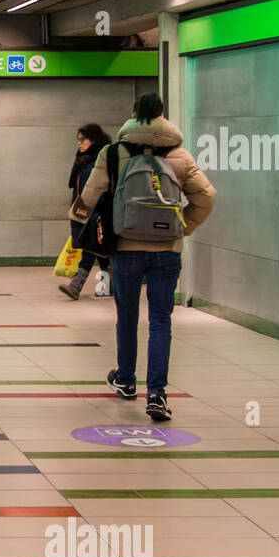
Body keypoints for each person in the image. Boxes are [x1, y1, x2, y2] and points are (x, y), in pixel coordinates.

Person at [73, 92, 216, 423]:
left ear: (134, 115)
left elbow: (89, 197)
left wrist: (78, 224)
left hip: (126, 248)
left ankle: (125, 380)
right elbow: (206, 195)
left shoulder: (114, 153)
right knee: (161, 321)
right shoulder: (179, 155)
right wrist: (184, 227)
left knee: (127, 316)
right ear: (163, 117)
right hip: (167, 249)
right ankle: (158, 394)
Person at [59, 123, 113, 300]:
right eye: (78, 139)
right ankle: (109, 285)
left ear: (94, 140)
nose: (79, 143)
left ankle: (77, 284)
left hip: (97, 211)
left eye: (83, 139)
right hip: (82, 211)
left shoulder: (101, 159)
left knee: (91, 246)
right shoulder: (84, 160)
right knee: (101, 251)